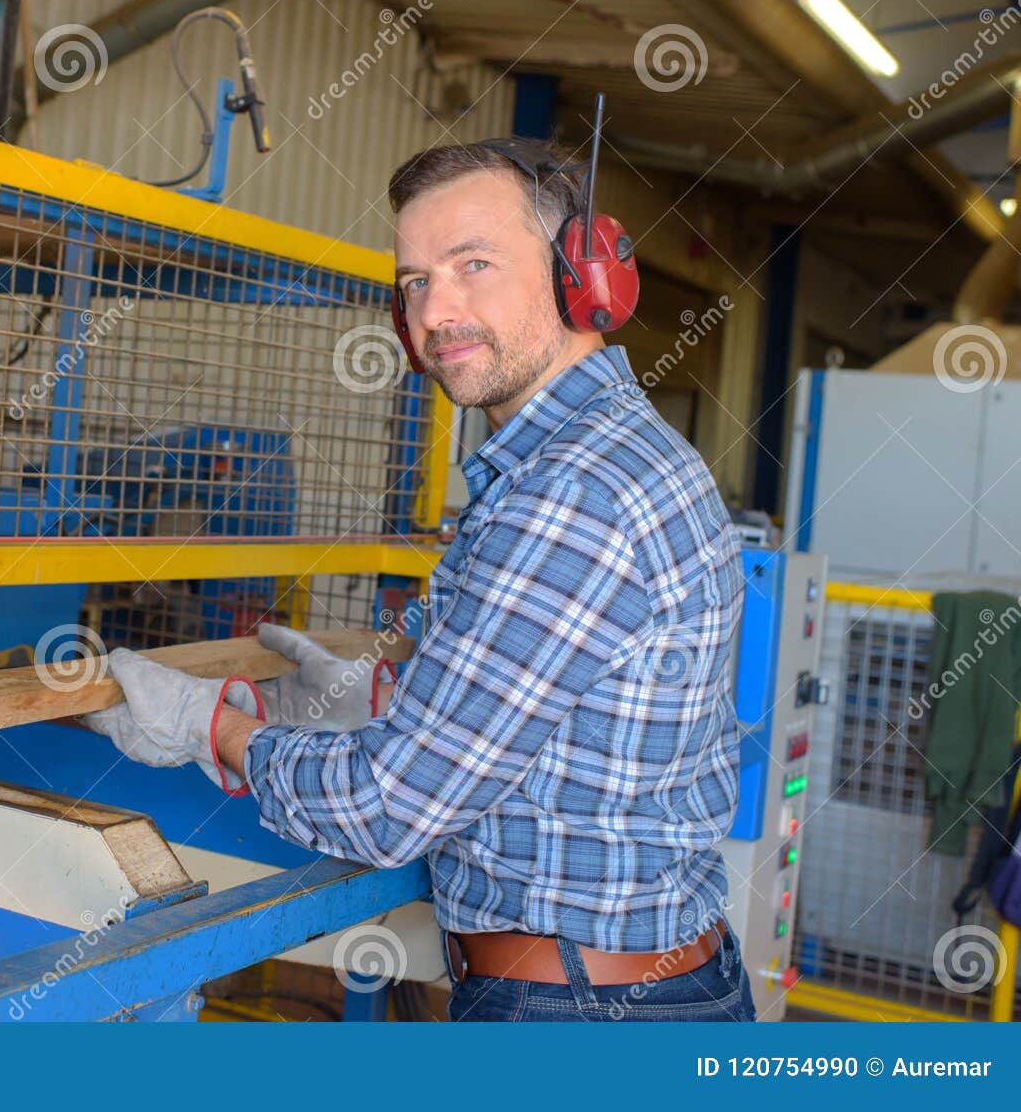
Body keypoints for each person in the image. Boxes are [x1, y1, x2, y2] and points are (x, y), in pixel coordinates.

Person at [83, 135, 752, 1023]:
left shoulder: (572, 493)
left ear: (580, 276)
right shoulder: (592, 457)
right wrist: (381, 700)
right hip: (631, 989)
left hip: (580, 1015)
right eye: (415, 283)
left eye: (474, 263)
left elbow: (388, 809)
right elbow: (541, 719)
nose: (437, 312)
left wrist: (215, 729)